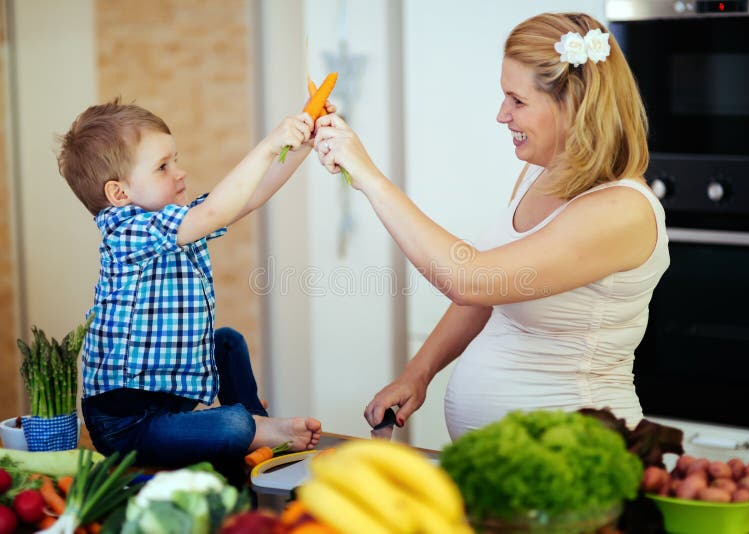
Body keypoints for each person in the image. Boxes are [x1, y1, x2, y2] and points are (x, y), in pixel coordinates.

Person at [314, 12, 669, 440]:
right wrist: (418, 373)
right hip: (499, 462)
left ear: (573, 103)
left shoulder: (619, 210)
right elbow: (490, 296)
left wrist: (369, 177)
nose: (503, 115)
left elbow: (471, 280)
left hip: (575, 454)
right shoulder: (541, 173)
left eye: (517, 101)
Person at [57, 98, 323, 477]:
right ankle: (251, 427)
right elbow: (214, 211)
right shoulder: (125, 229)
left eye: (175, 160)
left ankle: (257, 427)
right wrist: (269, 144)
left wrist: (302, 145)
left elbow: (249, 196)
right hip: (126, 425)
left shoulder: (177, 224)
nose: (180, 172)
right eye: (163, 167)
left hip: (167, 406)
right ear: (119, 195)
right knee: (232, 426)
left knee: (227, 342)